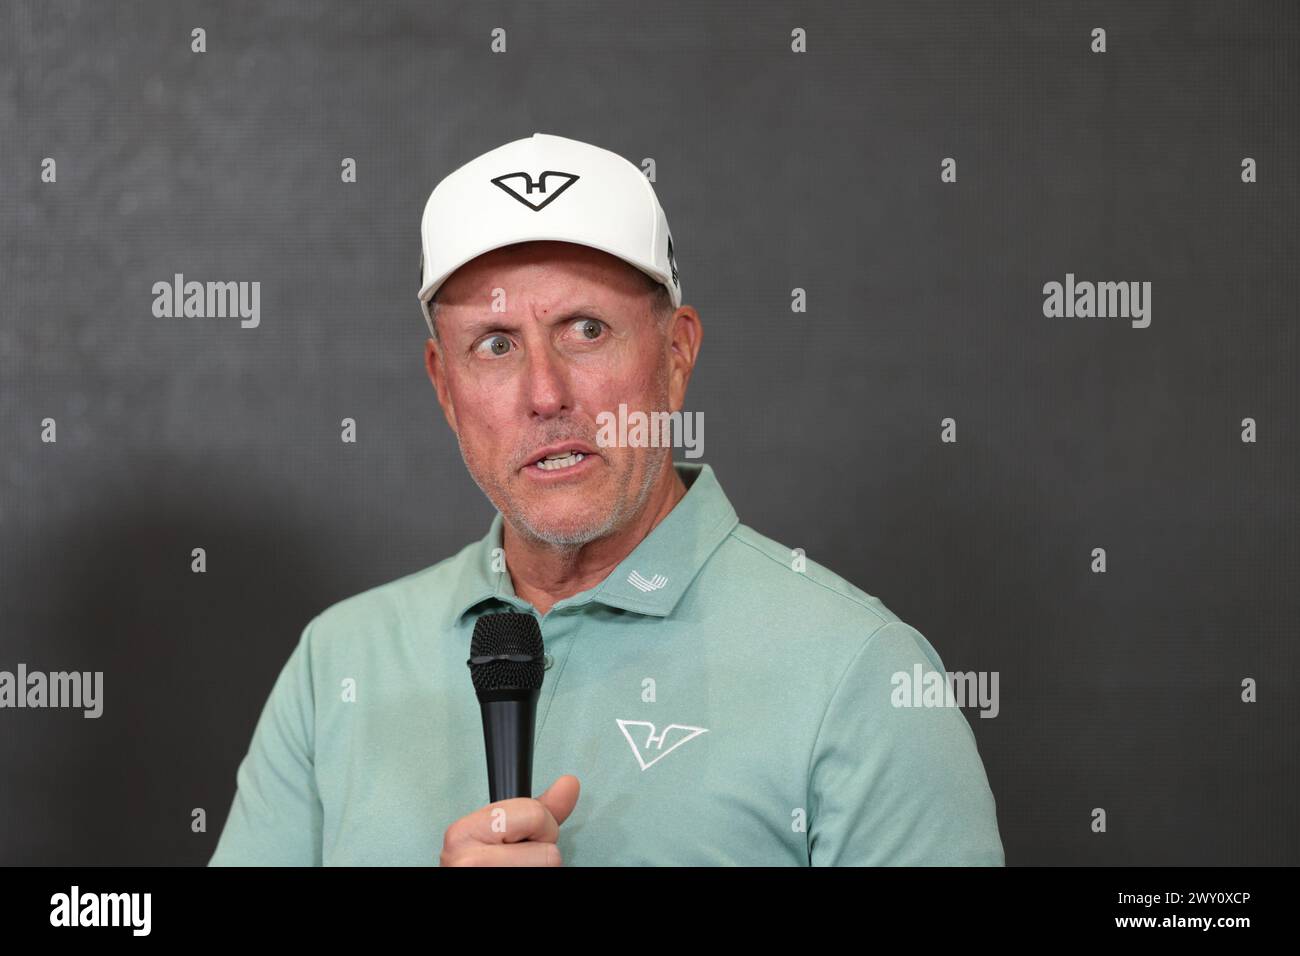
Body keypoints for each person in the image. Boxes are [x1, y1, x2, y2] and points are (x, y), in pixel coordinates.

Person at [209, 132, 1004, 866]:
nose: (545, 393)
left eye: (586, 329)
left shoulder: (861, 675)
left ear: (677, 352)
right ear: (444, 387)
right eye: (495, 345)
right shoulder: (338, 663)